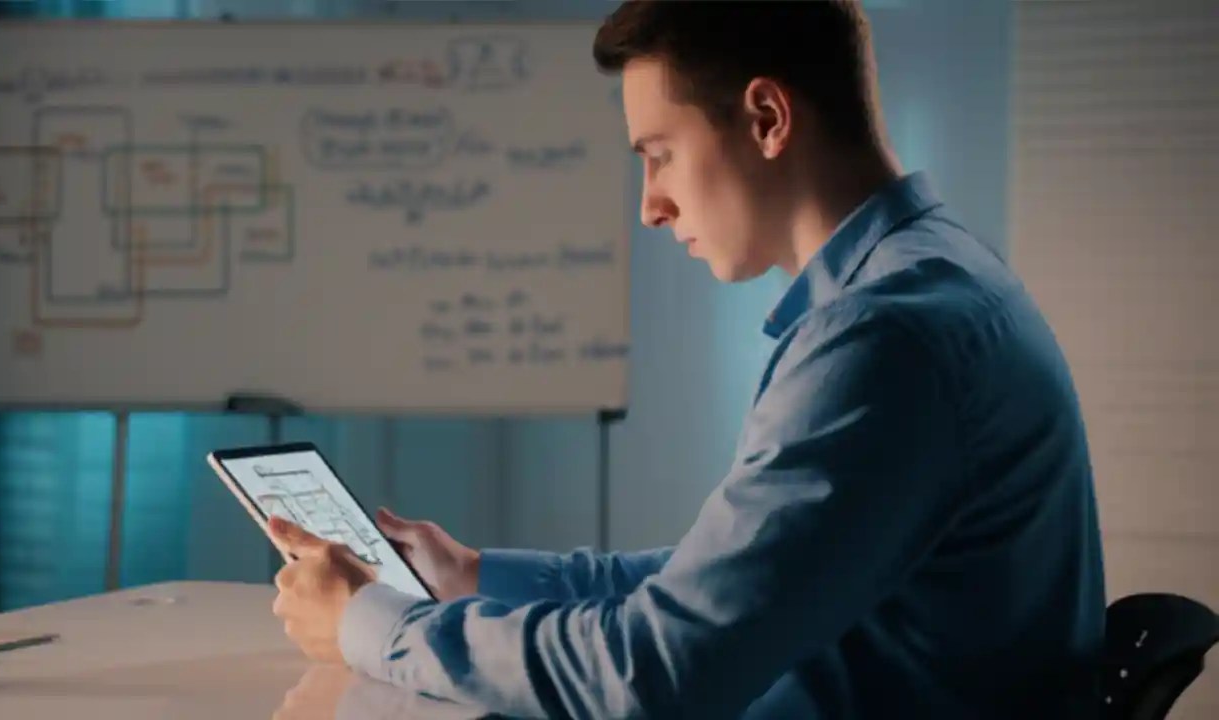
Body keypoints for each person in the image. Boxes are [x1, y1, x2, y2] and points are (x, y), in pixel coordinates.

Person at [269, 1, 1106, 717]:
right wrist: (477, 575)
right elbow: (725, 580)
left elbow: (654, 675)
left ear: (768, 118)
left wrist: (373, 626)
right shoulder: (941, 273)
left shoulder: (882, 338)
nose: (651, 207)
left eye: (658, 154)